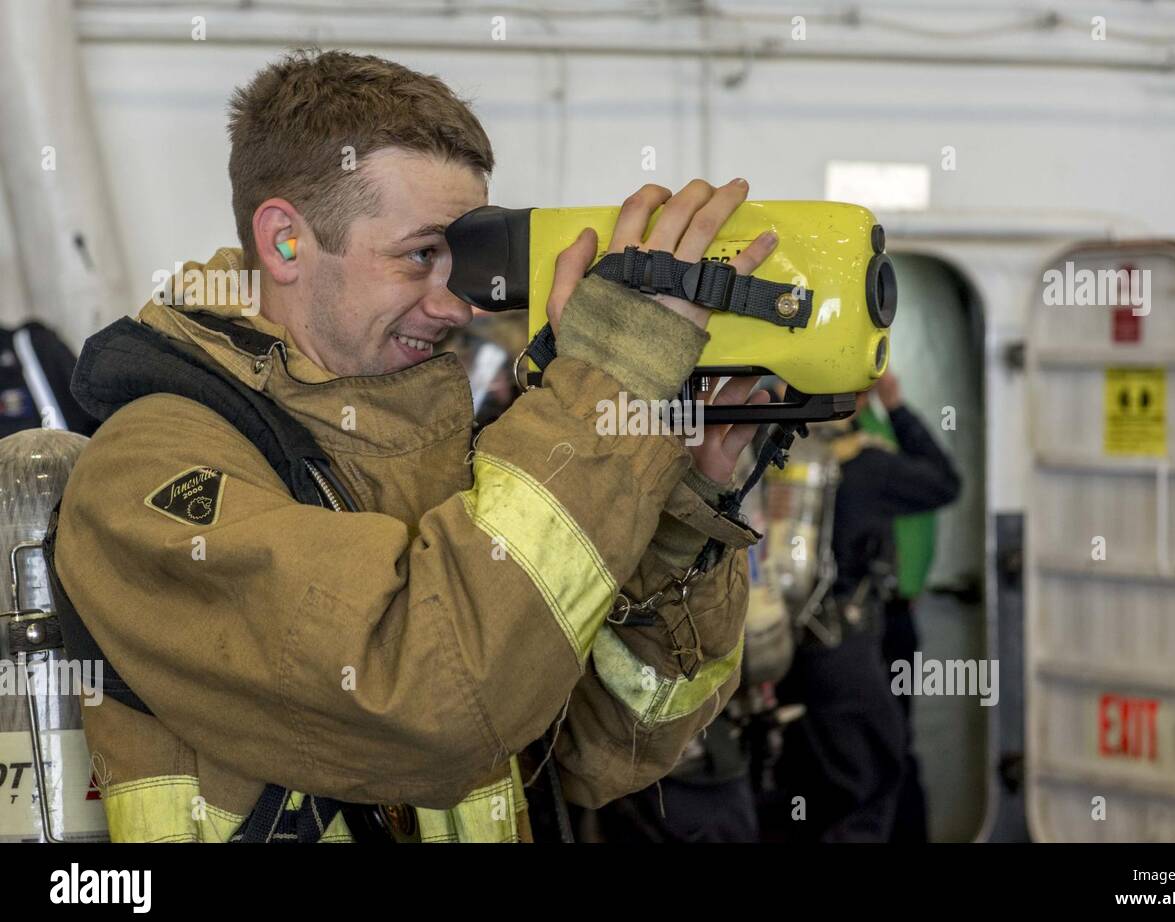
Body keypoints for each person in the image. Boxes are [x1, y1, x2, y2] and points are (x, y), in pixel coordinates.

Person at [50, 49, 774, 843]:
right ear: (286, 243)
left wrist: (672, 521)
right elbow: (432, 698)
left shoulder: (443, 457)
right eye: (420, 255)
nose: (456, 304)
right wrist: (607, 387)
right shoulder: (149, 473)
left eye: (461, 261)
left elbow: (599, 749)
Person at [774, 370, 960, 842]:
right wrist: (896, 409)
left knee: (804, 781)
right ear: (858, 398)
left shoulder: (770, 454)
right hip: (847, 647)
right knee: (874, 779)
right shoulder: (867, 466)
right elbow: (945, 482)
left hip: (779, 649)